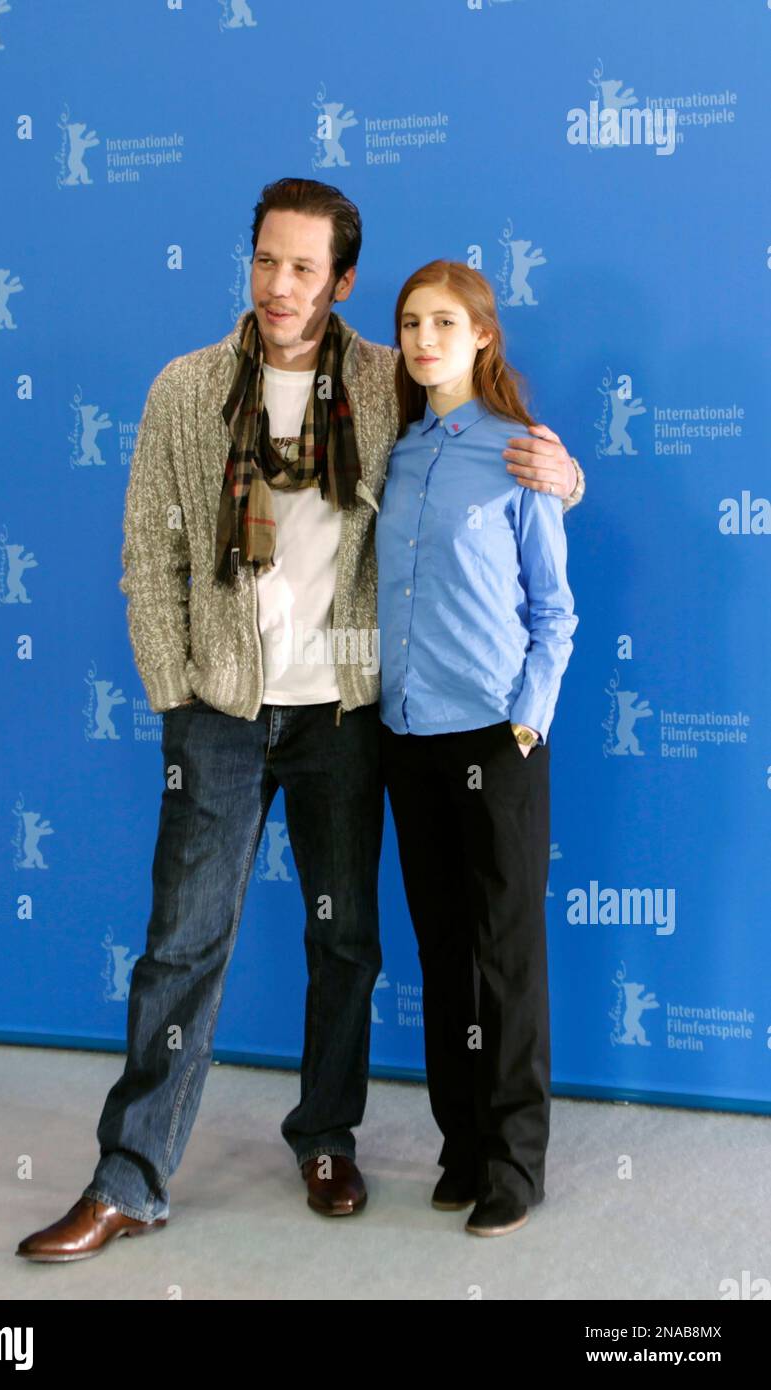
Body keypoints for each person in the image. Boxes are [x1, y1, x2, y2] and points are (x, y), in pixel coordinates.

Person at [16, 180, 584, 1263]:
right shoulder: (186, 390)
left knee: (347, 940)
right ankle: (129, 1175)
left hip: (346, 715)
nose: (280, 287)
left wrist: (566, 474)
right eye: (265, 262)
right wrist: (175, 693)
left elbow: (493, 460)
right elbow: (149, 553)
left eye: (304, 270)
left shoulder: (385, 380)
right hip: (222, 714)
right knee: (182, 941)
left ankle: (326, 1137)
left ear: (341, 283)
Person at [377, 260, 578, 1238]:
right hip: (408, 740)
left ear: (482, 335)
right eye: (410, 322)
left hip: (497, 738)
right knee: (441, 952)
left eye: (444, 323)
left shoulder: (520, 456)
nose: (422, 340)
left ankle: (514, 1158)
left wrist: (528, 717)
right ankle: (459, 1144)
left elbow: (554, 609)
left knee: (506, 954)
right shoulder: (397, 454)